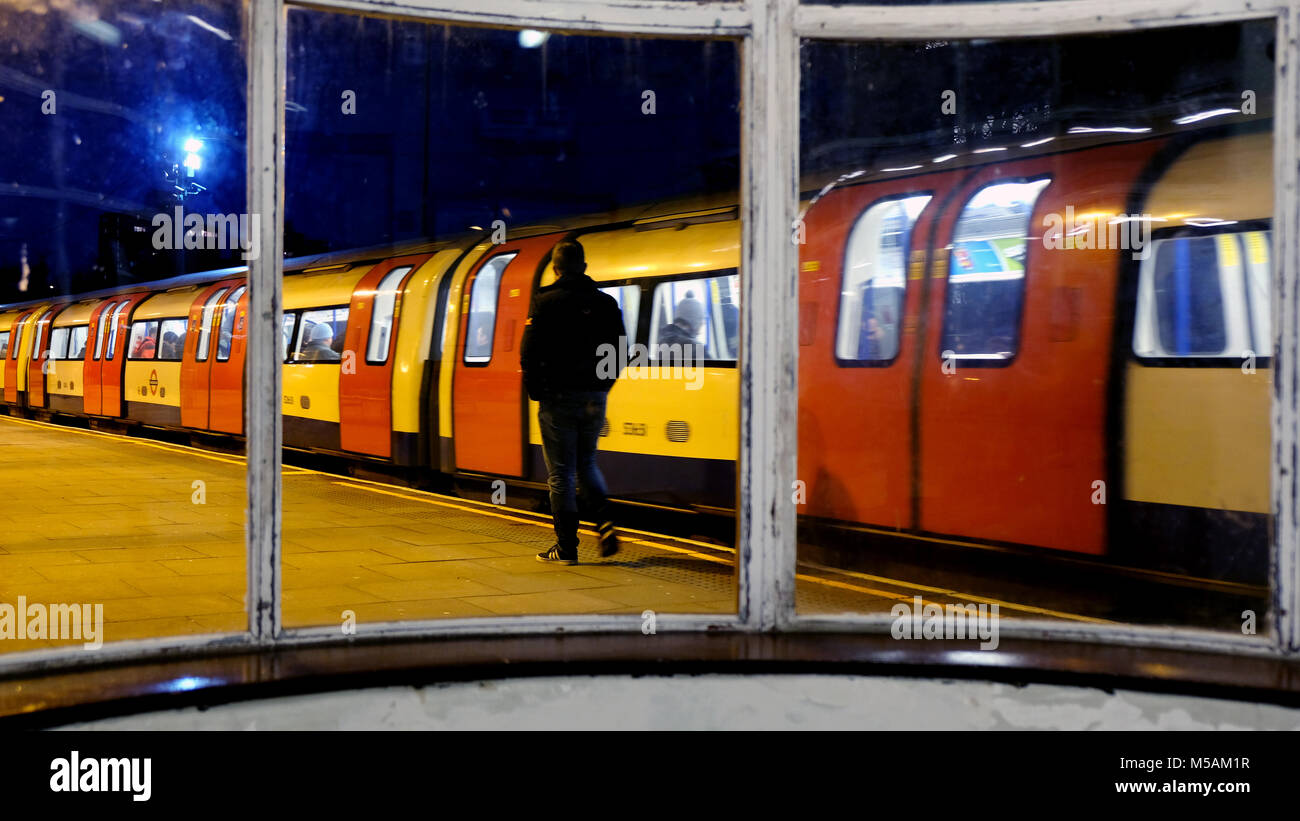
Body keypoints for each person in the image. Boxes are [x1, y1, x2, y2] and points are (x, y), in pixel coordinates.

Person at [521, 238, 626, 564]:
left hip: (558, 398)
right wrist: (602, 387)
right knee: (587, 463)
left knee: (561, 474)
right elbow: (621, 352)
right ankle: (605, 520)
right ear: (584, 267)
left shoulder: (545, 302)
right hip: (594, 397)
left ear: (555, 268)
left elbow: (528, 352)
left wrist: (539, 391)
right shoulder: (607, 303)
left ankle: (566, 547)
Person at [656, 291, 704, 364]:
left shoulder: (661, 341)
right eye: (700, 320)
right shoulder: (694, 347)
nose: (702, 324)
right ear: (694, 322)